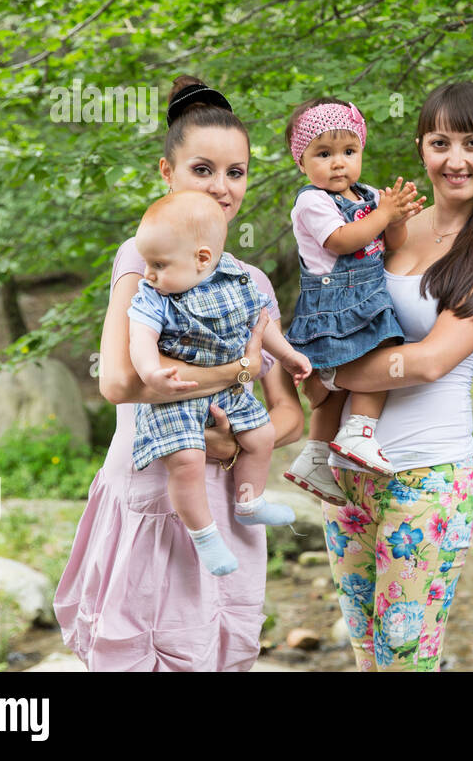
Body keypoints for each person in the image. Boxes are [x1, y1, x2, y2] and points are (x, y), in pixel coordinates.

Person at [54, 76, 304, 671]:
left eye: (236, 172)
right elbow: (118, 381)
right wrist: (235, 370)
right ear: (167, 173)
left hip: (228, 498)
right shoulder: (147, 257)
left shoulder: (253, 282)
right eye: (202, 169)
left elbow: (289, 411)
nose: (222, 188)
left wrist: (227, 443)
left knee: (217, 653)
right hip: (153, 493)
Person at [305, 81, 473, 671]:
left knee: (405, 663)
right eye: (440, 142)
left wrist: (325, 370)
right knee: (366, 659)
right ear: (420, 148)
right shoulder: (384, 226)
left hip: (429, 477)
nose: (455, 160)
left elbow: (430, 361)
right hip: (347, 473)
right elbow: (332, 312)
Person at [127, 190, 309, 576]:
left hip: (230, 394)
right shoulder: (154, 297)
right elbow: (140, 338)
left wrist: (289, 354)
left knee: (260, 437)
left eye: (159, 264)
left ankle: (250, 503)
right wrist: (151, 373)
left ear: (202, 259)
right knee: (187, 460)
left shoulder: (237, 279)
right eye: (147, 263)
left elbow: (260, 321)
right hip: (175, 401)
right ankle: (204, 535)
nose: (148, 273)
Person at [279, 97, 425, 503]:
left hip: (359, 297)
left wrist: (396, 218)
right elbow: (343, 241)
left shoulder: (367, 195)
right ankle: (359, 431)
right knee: (379, 357)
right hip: (335, 303)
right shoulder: (311, 201)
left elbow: (391, 242)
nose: (338, 163)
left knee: (335, 391)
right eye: (323, 154)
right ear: (302, 163)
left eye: (348, 151)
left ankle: (314, 455)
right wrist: (381, 215)